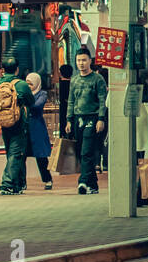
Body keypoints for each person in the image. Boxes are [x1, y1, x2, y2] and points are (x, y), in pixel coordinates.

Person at [64, 47, 108, 194]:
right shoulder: (75, 80)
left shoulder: (98, 79)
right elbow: (71, 101)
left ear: (90, 61)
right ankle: (93, 185)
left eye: (84, 60)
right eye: (78, 60)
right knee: (81, 151)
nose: (81, 63)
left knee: (86, 151)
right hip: (78, 119)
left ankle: (83, 182)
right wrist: (69, 120)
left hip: (93, 118)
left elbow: (103, 101)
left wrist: (101, 119)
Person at [0, 56, 34, 194]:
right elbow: (31, 101)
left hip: (4, 123)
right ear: (17, 69)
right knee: (16, 154)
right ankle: (8, 184)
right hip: (19, 123)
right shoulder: (22, 84)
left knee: (10, 152)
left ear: (3, 70)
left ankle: (17, 184)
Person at [25, 72, 54, 189]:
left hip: (37, 128)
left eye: (30, 84)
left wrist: (25, 100)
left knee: (41, 156)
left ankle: (47, 179)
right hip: (26, 127)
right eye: (26, 84)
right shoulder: (25, 94)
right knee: (22, 156)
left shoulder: (42, 94)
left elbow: (37, 106)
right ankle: (22, 182)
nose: (28, 87)